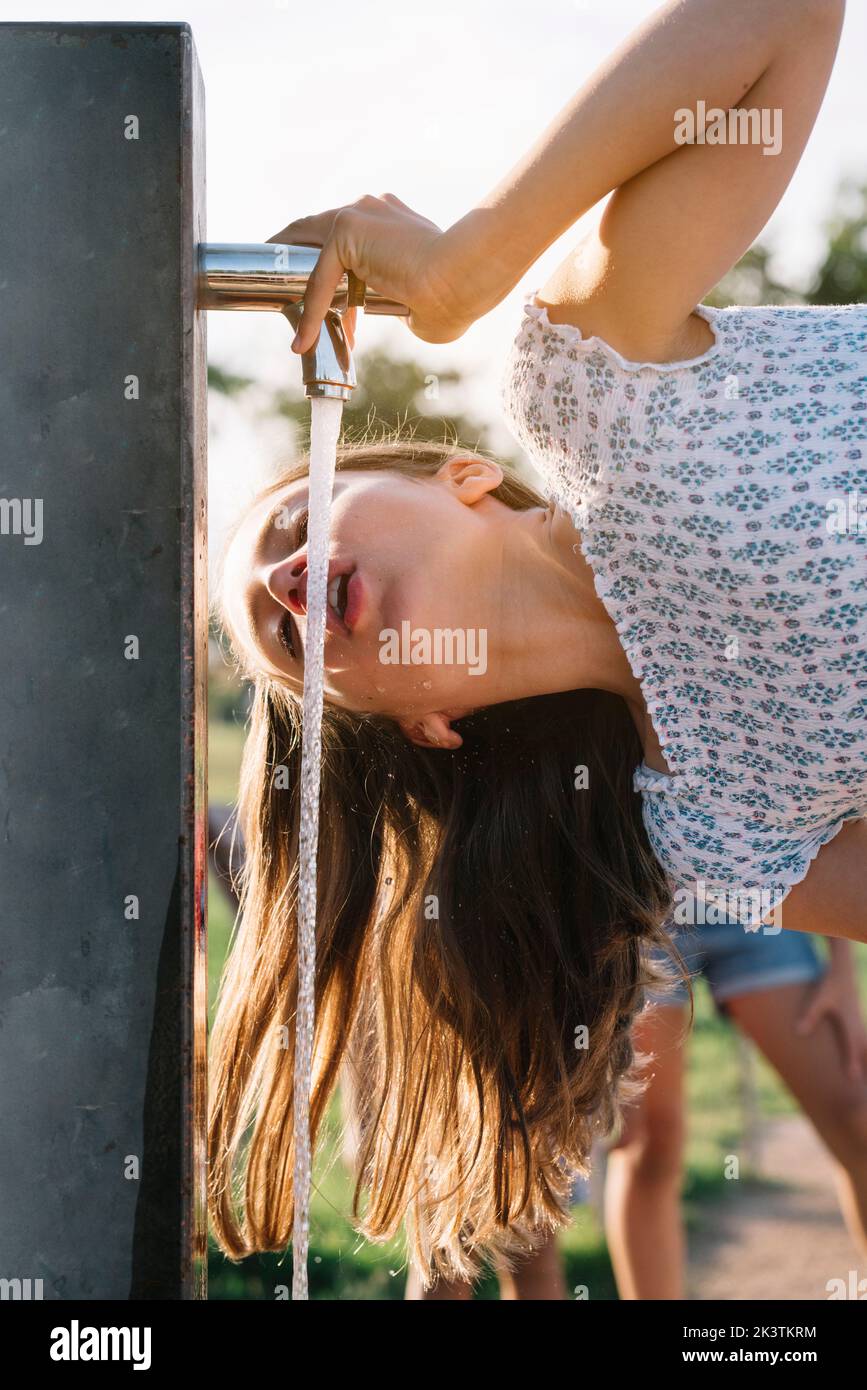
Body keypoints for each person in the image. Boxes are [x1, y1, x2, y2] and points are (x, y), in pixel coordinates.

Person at [208, 0, 866, 1290]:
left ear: (458, 477)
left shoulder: (593, 378)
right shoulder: (698, 831)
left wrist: (469, 261)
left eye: (294, 522)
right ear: (420, 723)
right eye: (284, 637)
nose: (288, 580)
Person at [606, 910, 867, 1300]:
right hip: (640, 908)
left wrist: (841, 968)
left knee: (856, 1114)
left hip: (757, 901)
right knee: (648, 1145)